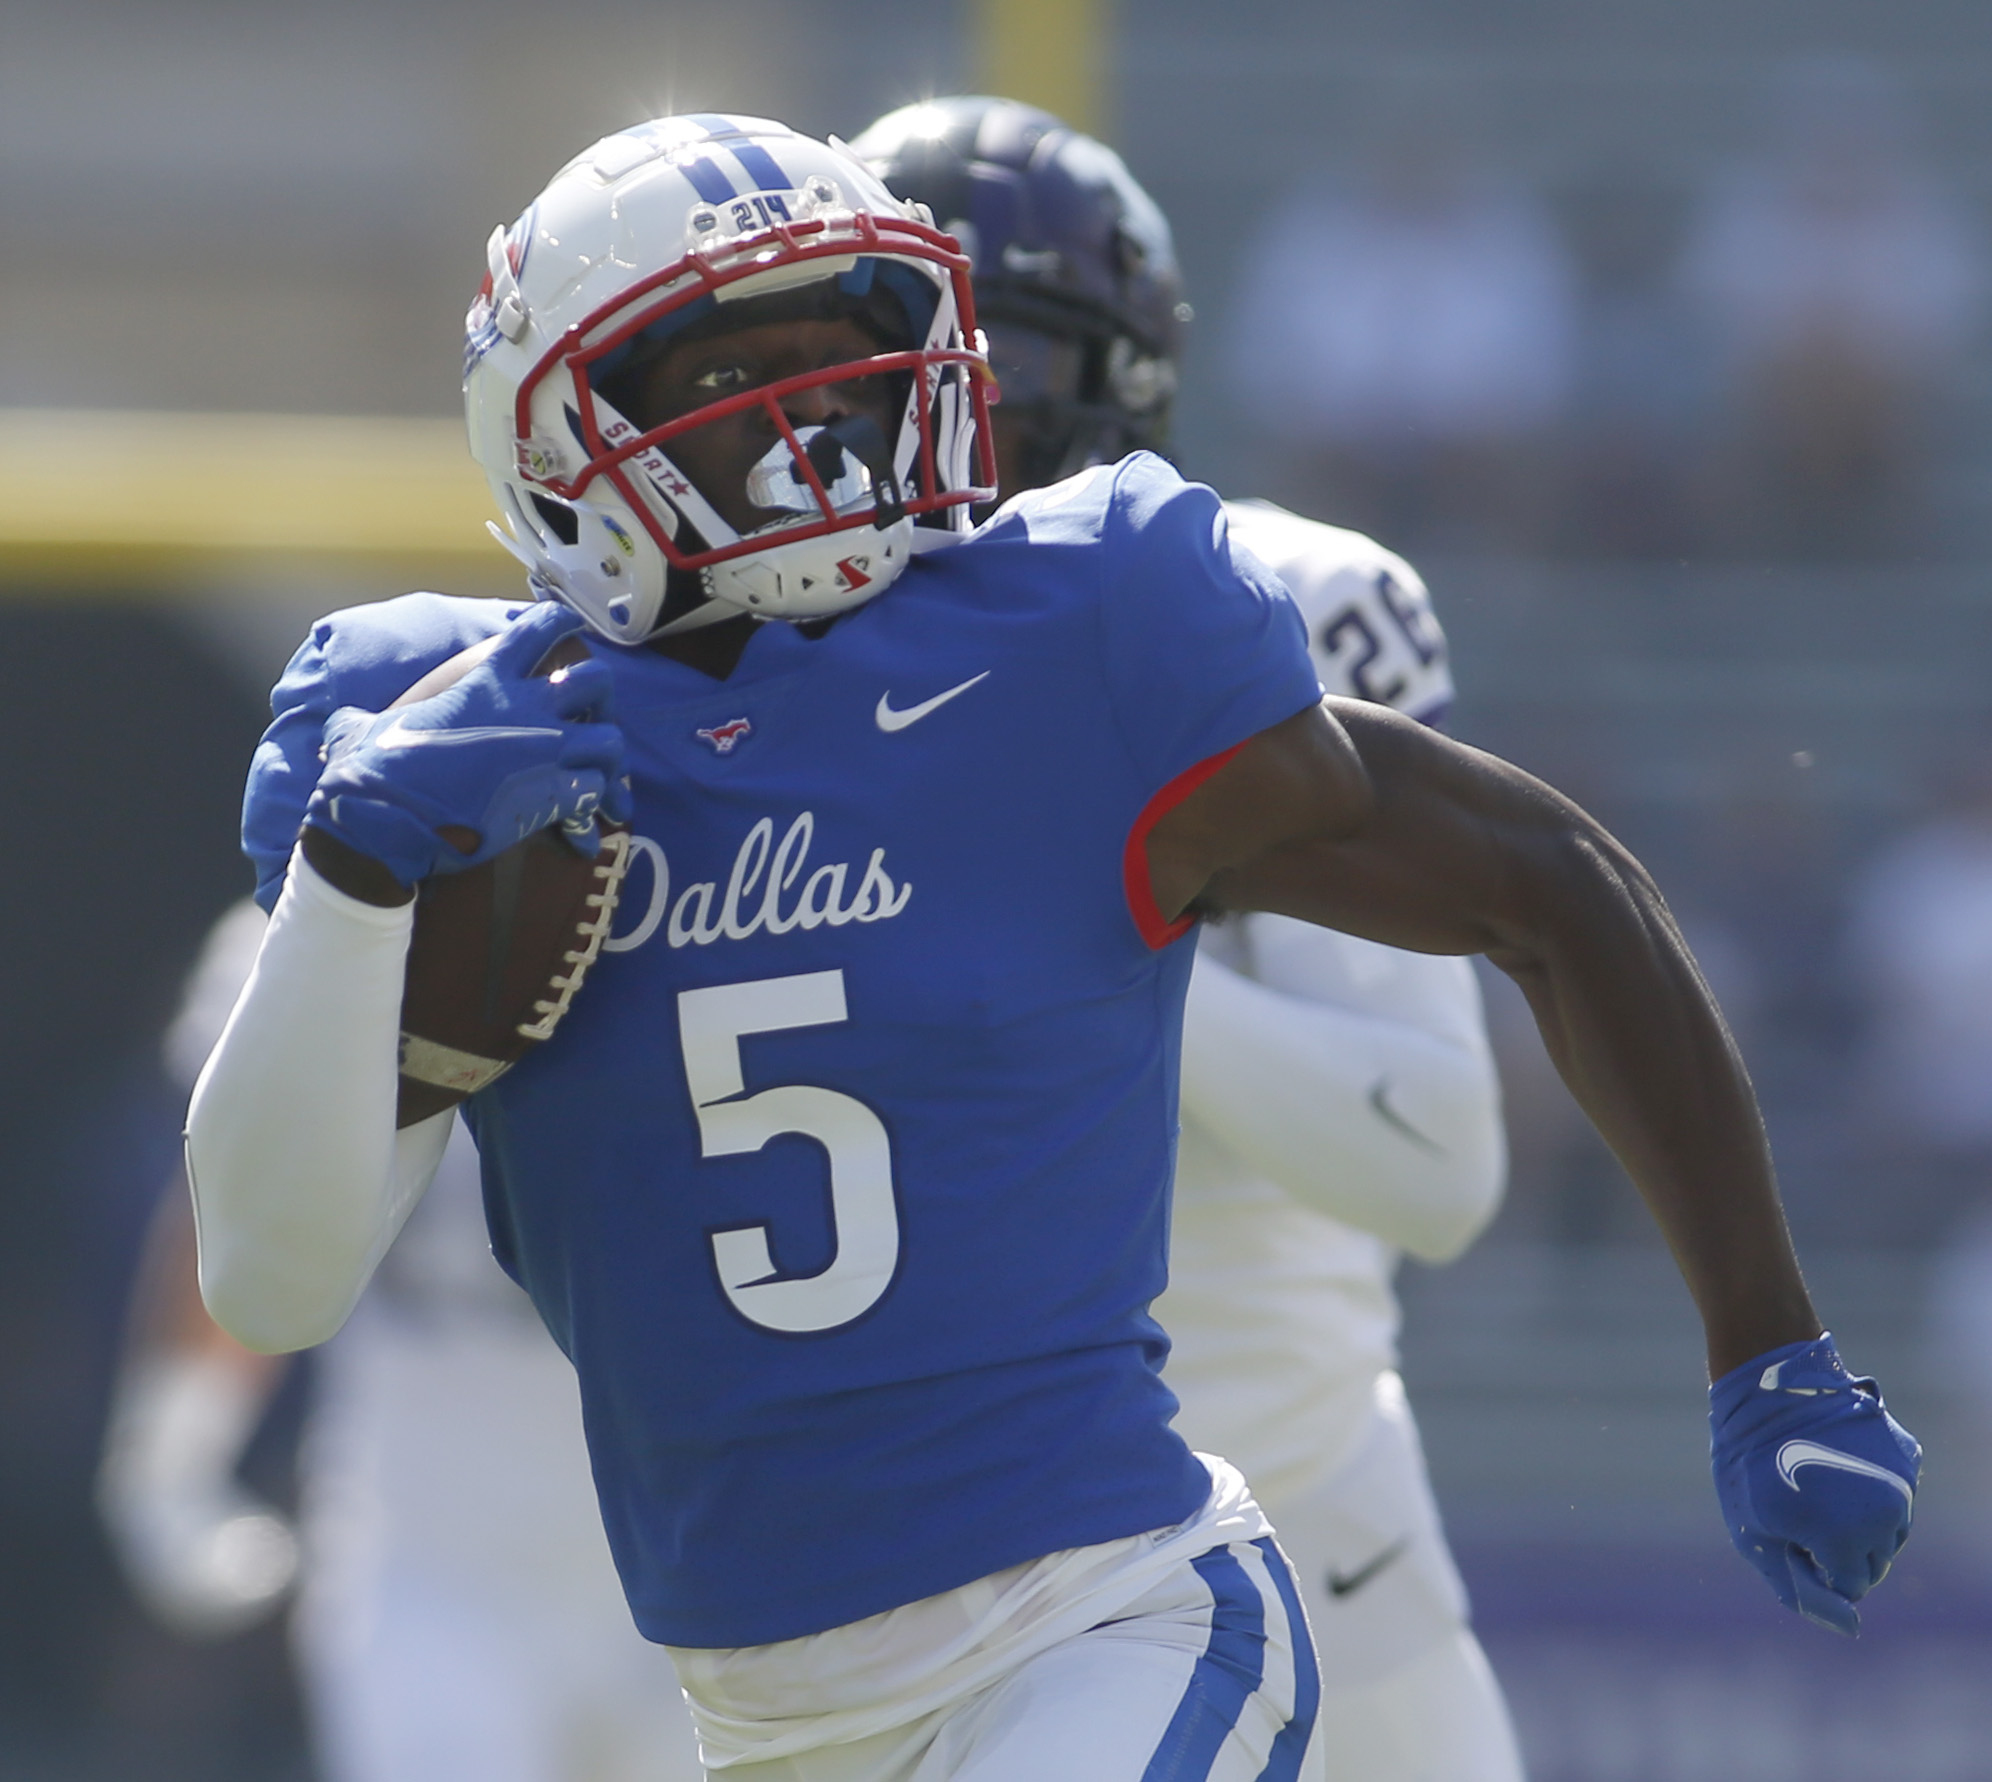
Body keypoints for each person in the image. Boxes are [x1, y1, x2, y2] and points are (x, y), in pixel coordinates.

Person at [185, 113, 1918, 1781]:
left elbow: (1542, 875)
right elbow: (272, 1277)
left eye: (845, 351)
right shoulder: (458, 752)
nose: (817, 418)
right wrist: (348, 873)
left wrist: (1768, 1341)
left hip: (1112, 1616)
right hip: (759, 1716)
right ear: (561, 439)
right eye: (724, 375)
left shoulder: (1066, 631)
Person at [849, 95, 1524, 1780]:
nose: (920, 402)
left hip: (1299, 1538)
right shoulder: (743, 678)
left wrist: (1095, 917)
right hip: (923, 1587)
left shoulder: (1260, 607)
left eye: (967, 349)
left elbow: (1436, 1160)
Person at [101, 901, 706, 1782]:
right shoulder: (313, 919)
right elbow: (247, 1214)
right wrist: (171, 1451)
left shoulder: (721, 907)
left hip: (694, 1547)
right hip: (429, 1559)